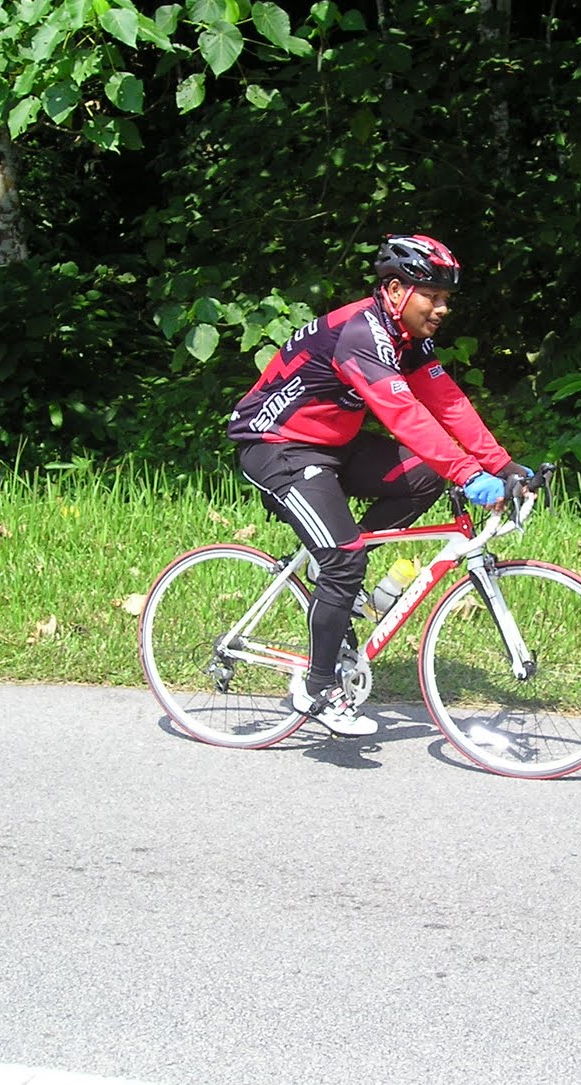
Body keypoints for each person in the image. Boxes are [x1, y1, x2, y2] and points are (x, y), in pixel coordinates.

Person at [227, 234, 529, 738]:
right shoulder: (362, 334)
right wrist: (470, 475)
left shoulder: (407, 338)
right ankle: (317, 688)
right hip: (275, 446)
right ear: (394, 291)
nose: (441, 308)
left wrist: (501, 465)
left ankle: (348, 586)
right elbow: (404, 415)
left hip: (331, 447)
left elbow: (445, 399)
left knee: (423, 476)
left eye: (446, 298)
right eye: (431, 295)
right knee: (344, 556)